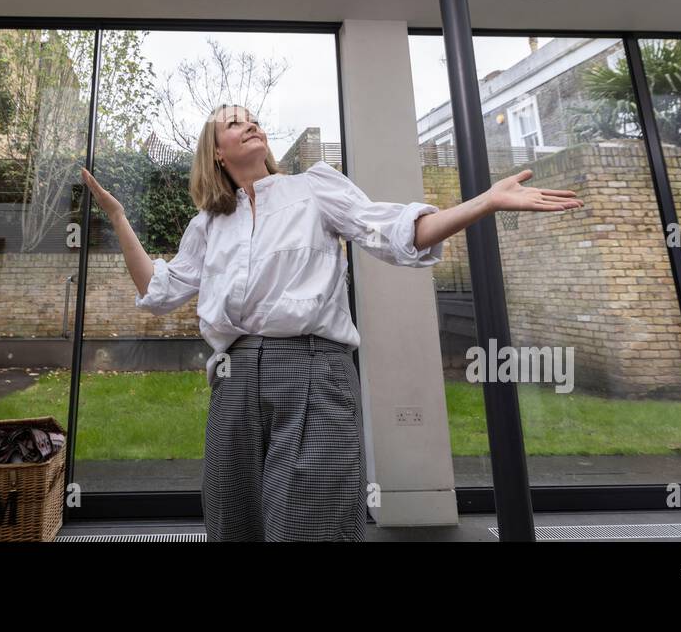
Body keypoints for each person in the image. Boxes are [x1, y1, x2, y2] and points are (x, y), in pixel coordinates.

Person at [81, 103, 582, 541]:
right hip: (232, 384)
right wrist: (121, 218)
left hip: (313, 372)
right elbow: (158, 291)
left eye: (254, 119)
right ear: (215, 152)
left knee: (311, 519)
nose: (250, 124)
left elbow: (397, 231)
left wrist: (485, 202)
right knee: (234, 521)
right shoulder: (208, 224)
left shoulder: (314, 188)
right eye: (235, 123)